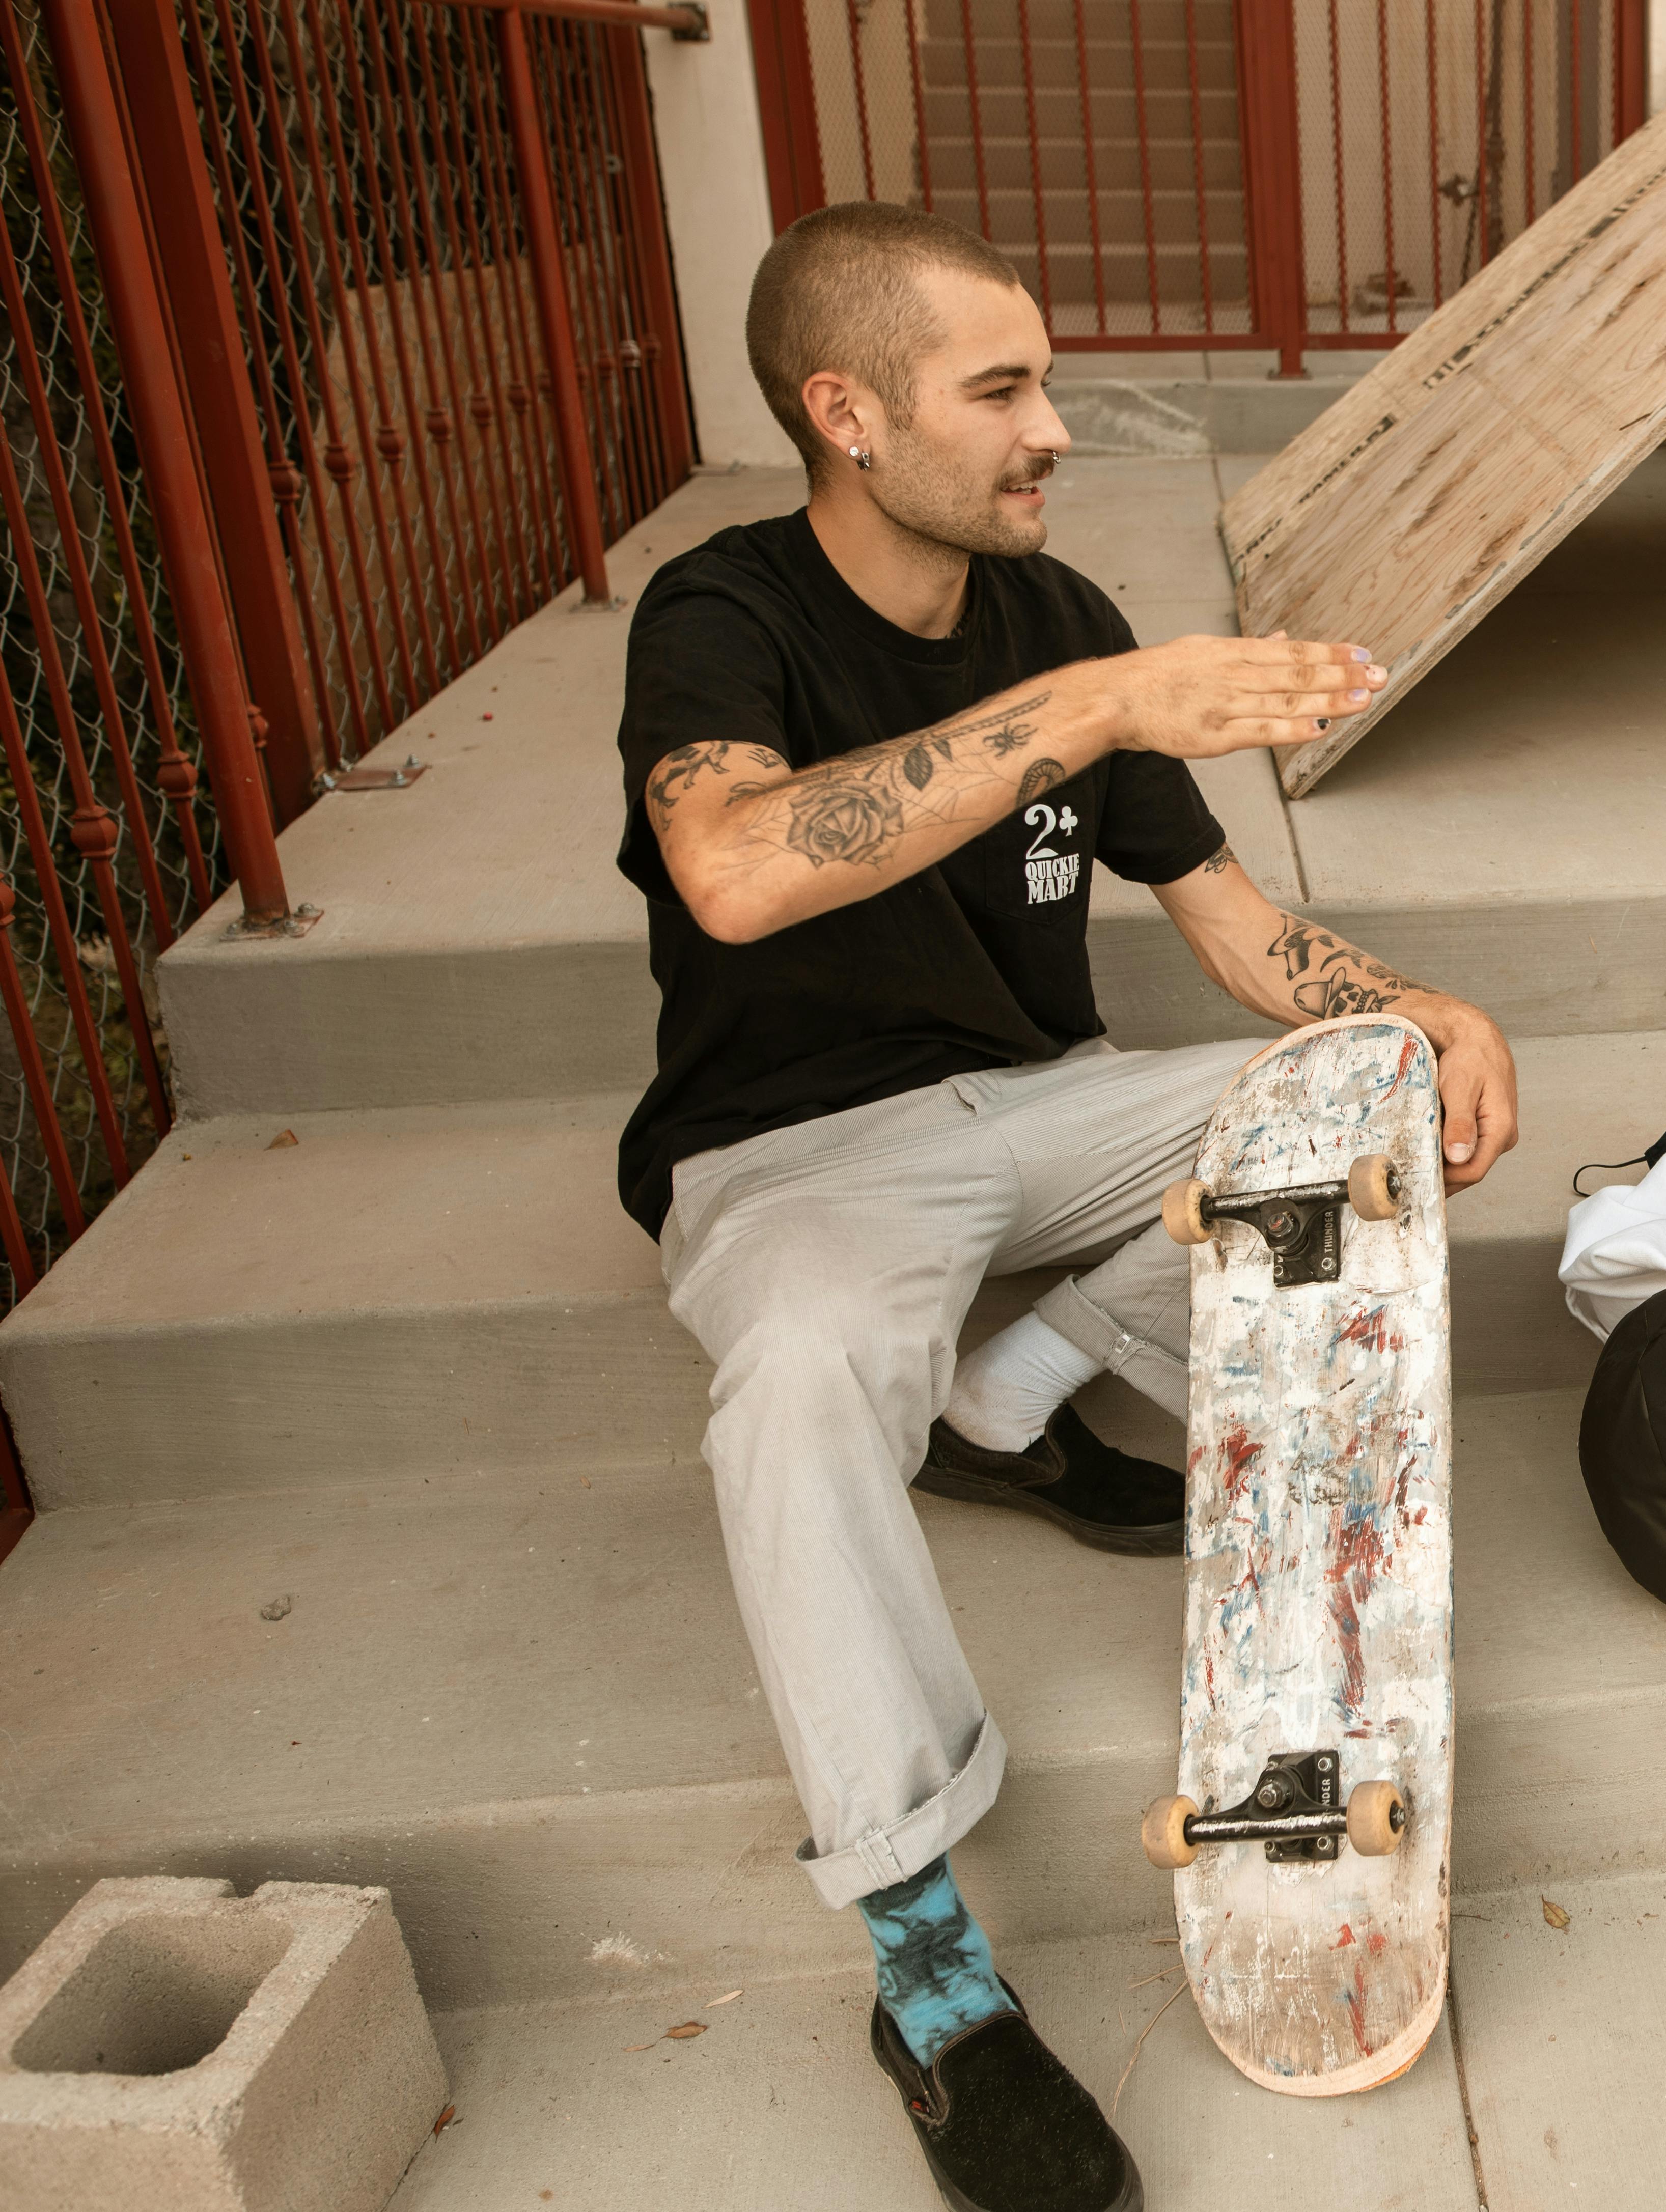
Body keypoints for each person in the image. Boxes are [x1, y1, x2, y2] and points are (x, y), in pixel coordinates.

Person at [614, 203, 1520, 2212]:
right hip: (794, 1151)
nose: (1052, 430)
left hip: (1043, 1110)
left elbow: (1243, 934)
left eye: (1045, 383)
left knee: (1356, 1094)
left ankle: (1008, 1392)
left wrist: (1419, 1009)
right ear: (848, 413)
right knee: (796, 1379)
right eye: (1002, 389)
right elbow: (737, 868)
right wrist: (1098, 707)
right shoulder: (724, 612)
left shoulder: (1063, 618)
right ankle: (931, 1974)